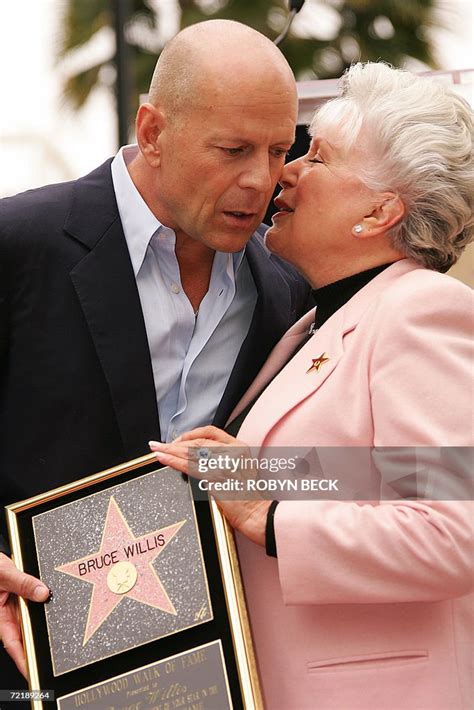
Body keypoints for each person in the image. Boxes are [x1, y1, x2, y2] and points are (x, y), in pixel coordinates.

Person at [150, 62, 474, 709]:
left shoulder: (418, 311)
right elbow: (366, 478)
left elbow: (452, 528)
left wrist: (266, 517)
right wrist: (252, 477)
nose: (286, 171)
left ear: (379, 211)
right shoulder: (315, 323)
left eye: (317, 157)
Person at [0, 20, 312, 687]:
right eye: (232, 149)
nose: (262, 179)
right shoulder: (17, 245)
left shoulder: (286, 291)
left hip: (212, 672)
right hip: (18, 661)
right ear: (151, 132)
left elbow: (355, 472)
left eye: (280, 149)